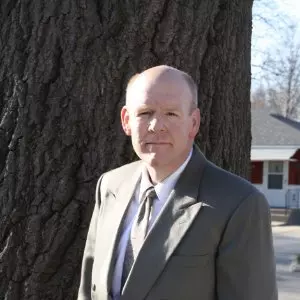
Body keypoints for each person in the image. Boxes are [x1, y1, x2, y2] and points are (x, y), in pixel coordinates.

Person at [77, 65, 277, 300]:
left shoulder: (239, 204)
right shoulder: (109, 186)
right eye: (145, 113)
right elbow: (88, 289)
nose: (156, 126)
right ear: (126, 120)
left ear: (193, 123)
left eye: (171, 114)